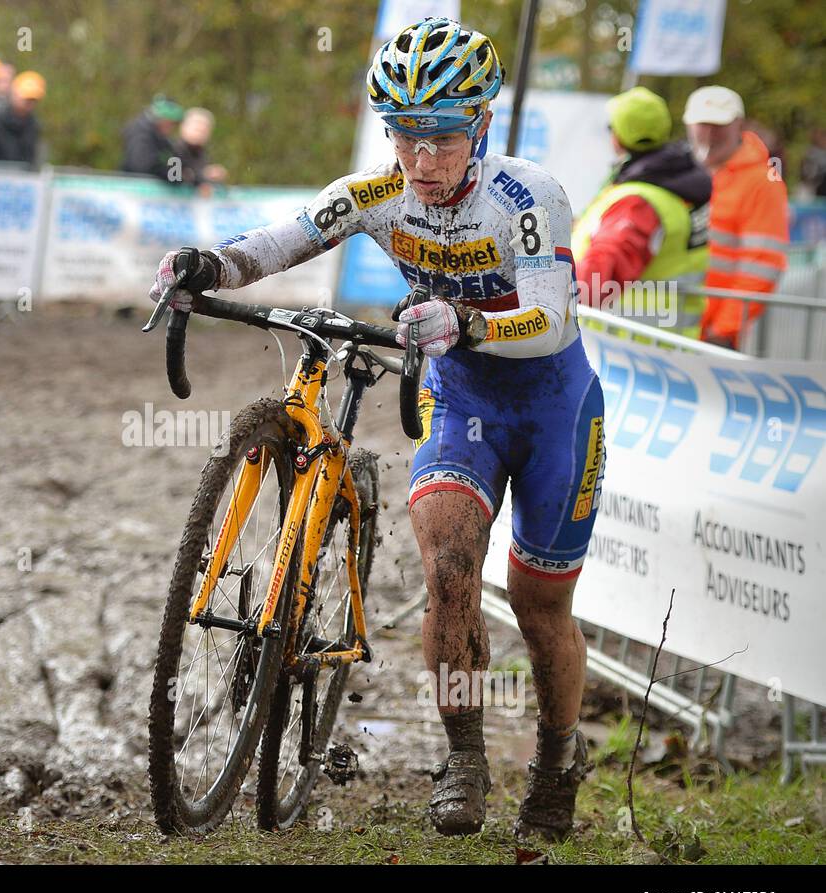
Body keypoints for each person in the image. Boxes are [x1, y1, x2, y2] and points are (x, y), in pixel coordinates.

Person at [149, 17, 605, 842]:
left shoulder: (527, 196)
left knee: (542, 610)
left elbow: (549, 317)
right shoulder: (376, 191)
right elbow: (281, 240)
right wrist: (208, 266)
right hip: (463, 404)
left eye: (443, 139)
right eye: (404, 138)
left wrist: (464, 320)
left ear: (483, 126)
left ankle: (556, 755)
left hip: (553, 407)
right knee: (448, 563)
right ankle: (464, 756)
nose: (423, 162)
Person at [571, 87, 711, 333]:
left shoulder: (637, 201)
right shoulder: (672, 182)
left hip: (626, 348)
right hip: (660, 347)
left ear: (618, 137)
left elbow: (596, 281)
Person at [684, 86, 790, 350]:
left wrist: (723, 331)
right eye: (702, 124)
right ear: (687, 124)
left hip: (710, 337)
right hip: (666, 326)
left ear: (738, 125)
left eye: (718, 125)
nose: (709, 133)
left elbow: (761, 265)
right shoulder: (680, 170)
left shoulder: (764, 182)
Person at [0, 70, 45, 166]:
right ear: (14, 94)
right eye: (26, 99)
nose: (29, 104)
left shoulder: (33, 124)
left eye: (33, 100)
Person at [121, 95, 183, 180]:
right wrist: (170, 174)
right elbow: (141, 166)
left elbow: (175, 166)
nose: (171, 127)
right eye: (169, 123)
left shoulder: (162, 139)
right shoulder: (140, 134)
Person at [172, 107, 227, 194]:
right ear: (184, 127)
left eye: (204, 131)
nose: (200, 133)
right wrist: (203, 175)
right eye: (197, 129)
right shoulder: (173, 150)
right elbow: (173, 177)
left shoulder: (201, 153)